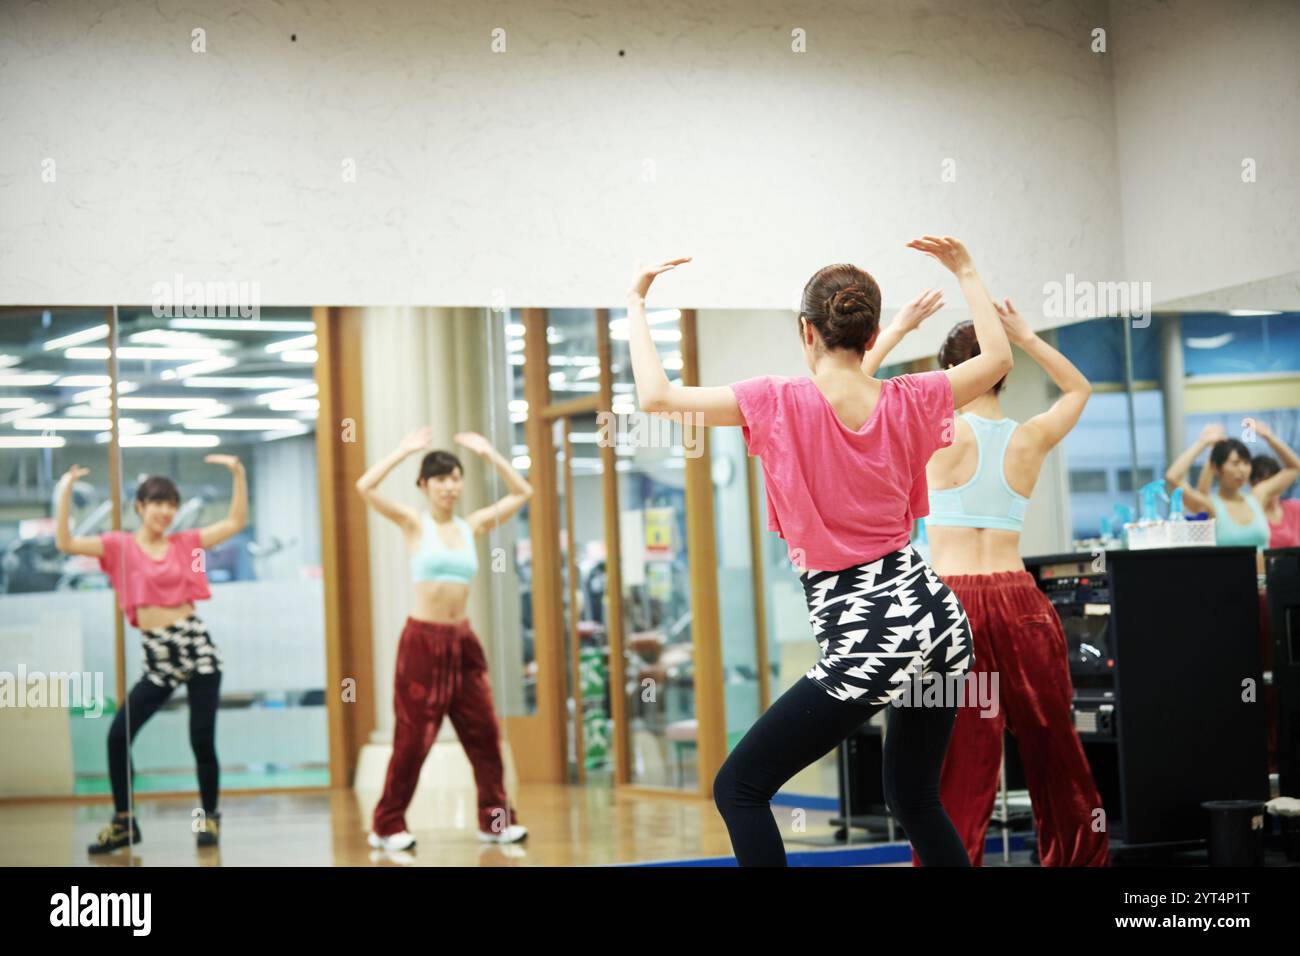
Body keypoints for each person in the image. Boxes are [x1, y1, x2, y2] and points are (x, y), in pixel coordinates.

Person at [627, 235, 1013, 866]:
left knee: (739, 788)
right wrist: (966, 268)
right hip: (939, 621)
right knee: (915, 796)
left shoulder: (776, 402)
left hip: (871, 632)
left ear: (806, 332)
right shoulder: (911, 397)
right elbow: (995, 358)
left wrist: (637, 303)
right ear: (871, 333)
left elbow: (658, 397)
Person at [864, 296, 1108, 866]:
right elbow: (1079, 391)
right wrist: (1023, 337)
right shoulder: (1029, 437)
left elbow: (856, 387)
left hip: (950, 606)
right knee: (1056, 750)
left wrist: (898, 327)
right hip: (1020, 599)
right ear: (1001, 370)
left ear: (952, 373)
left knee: (956, 761)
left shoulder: (934, 431)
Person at [55, 455, 247, 854]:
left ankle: (207, 819)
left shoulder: (186, 543)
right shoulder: (118, 547)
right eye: (157, 503)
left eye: (171, 504)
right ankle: (124, 823)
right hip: (158, 658)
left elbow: (233, 524)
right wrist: (64, 492)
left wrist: (238, 476)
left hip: (197, 650)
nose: (165, 511)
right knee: (117, 736)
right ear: (140, 507)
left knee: (201, 740)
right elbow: (66, 542)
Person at [358, 428, 532, 850]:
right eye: (440, 479)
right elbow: (365, 486)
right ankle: (386, 825)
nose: (450, 487)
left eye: (456, 478)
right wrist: (402, 450)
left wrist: (491, 453)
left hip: (463, 642)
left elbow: (523, 493)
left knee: (486, 736)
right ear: (424, 485)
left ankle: (495, 820)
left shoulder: (470, 526)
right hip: (422, 643)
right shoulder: (413, 523)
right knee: (413, 740)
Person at [1167, 422, 1300, 565]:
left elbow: (1294, 467)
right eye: (1235, 463)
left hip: (1265, 585)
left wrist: (1269, 437)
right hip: (1227, 584)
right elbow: (1172, 477)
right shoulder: (1209, 505)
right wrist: (1203, 443)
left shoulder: (1257, 497)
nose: (1242, 470)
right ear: (1217, 469)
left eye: (1246, 463)